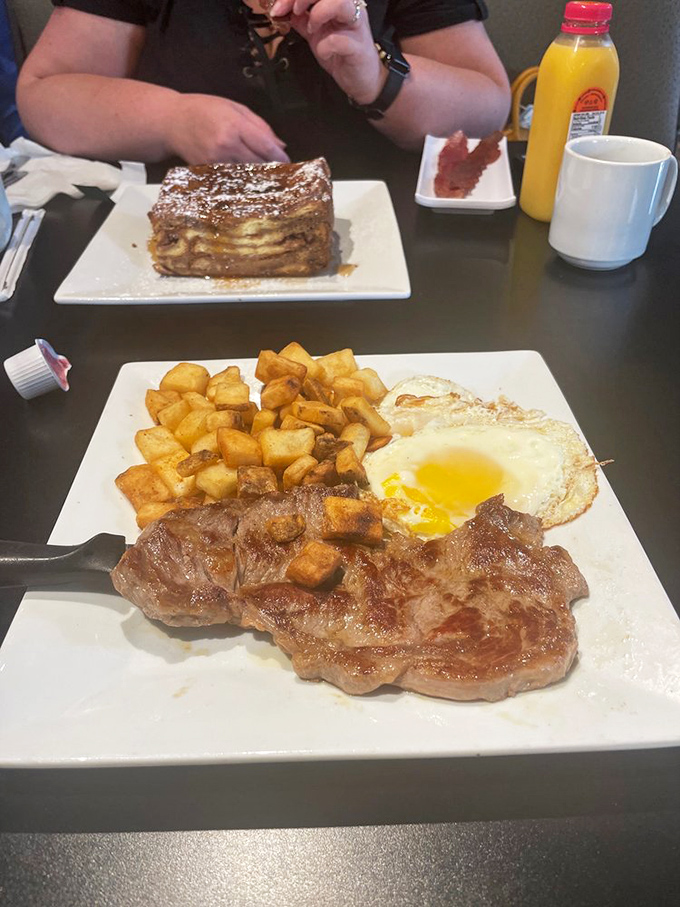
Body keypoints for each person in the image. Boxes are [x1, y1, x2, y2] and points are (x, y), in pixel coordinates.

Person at [16, 1, 510, 166]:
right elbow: (44, 92)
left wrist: (376, 76)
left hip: (386, 252)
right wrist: (171, 119)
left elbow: (488, 105)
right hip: (179, 254)